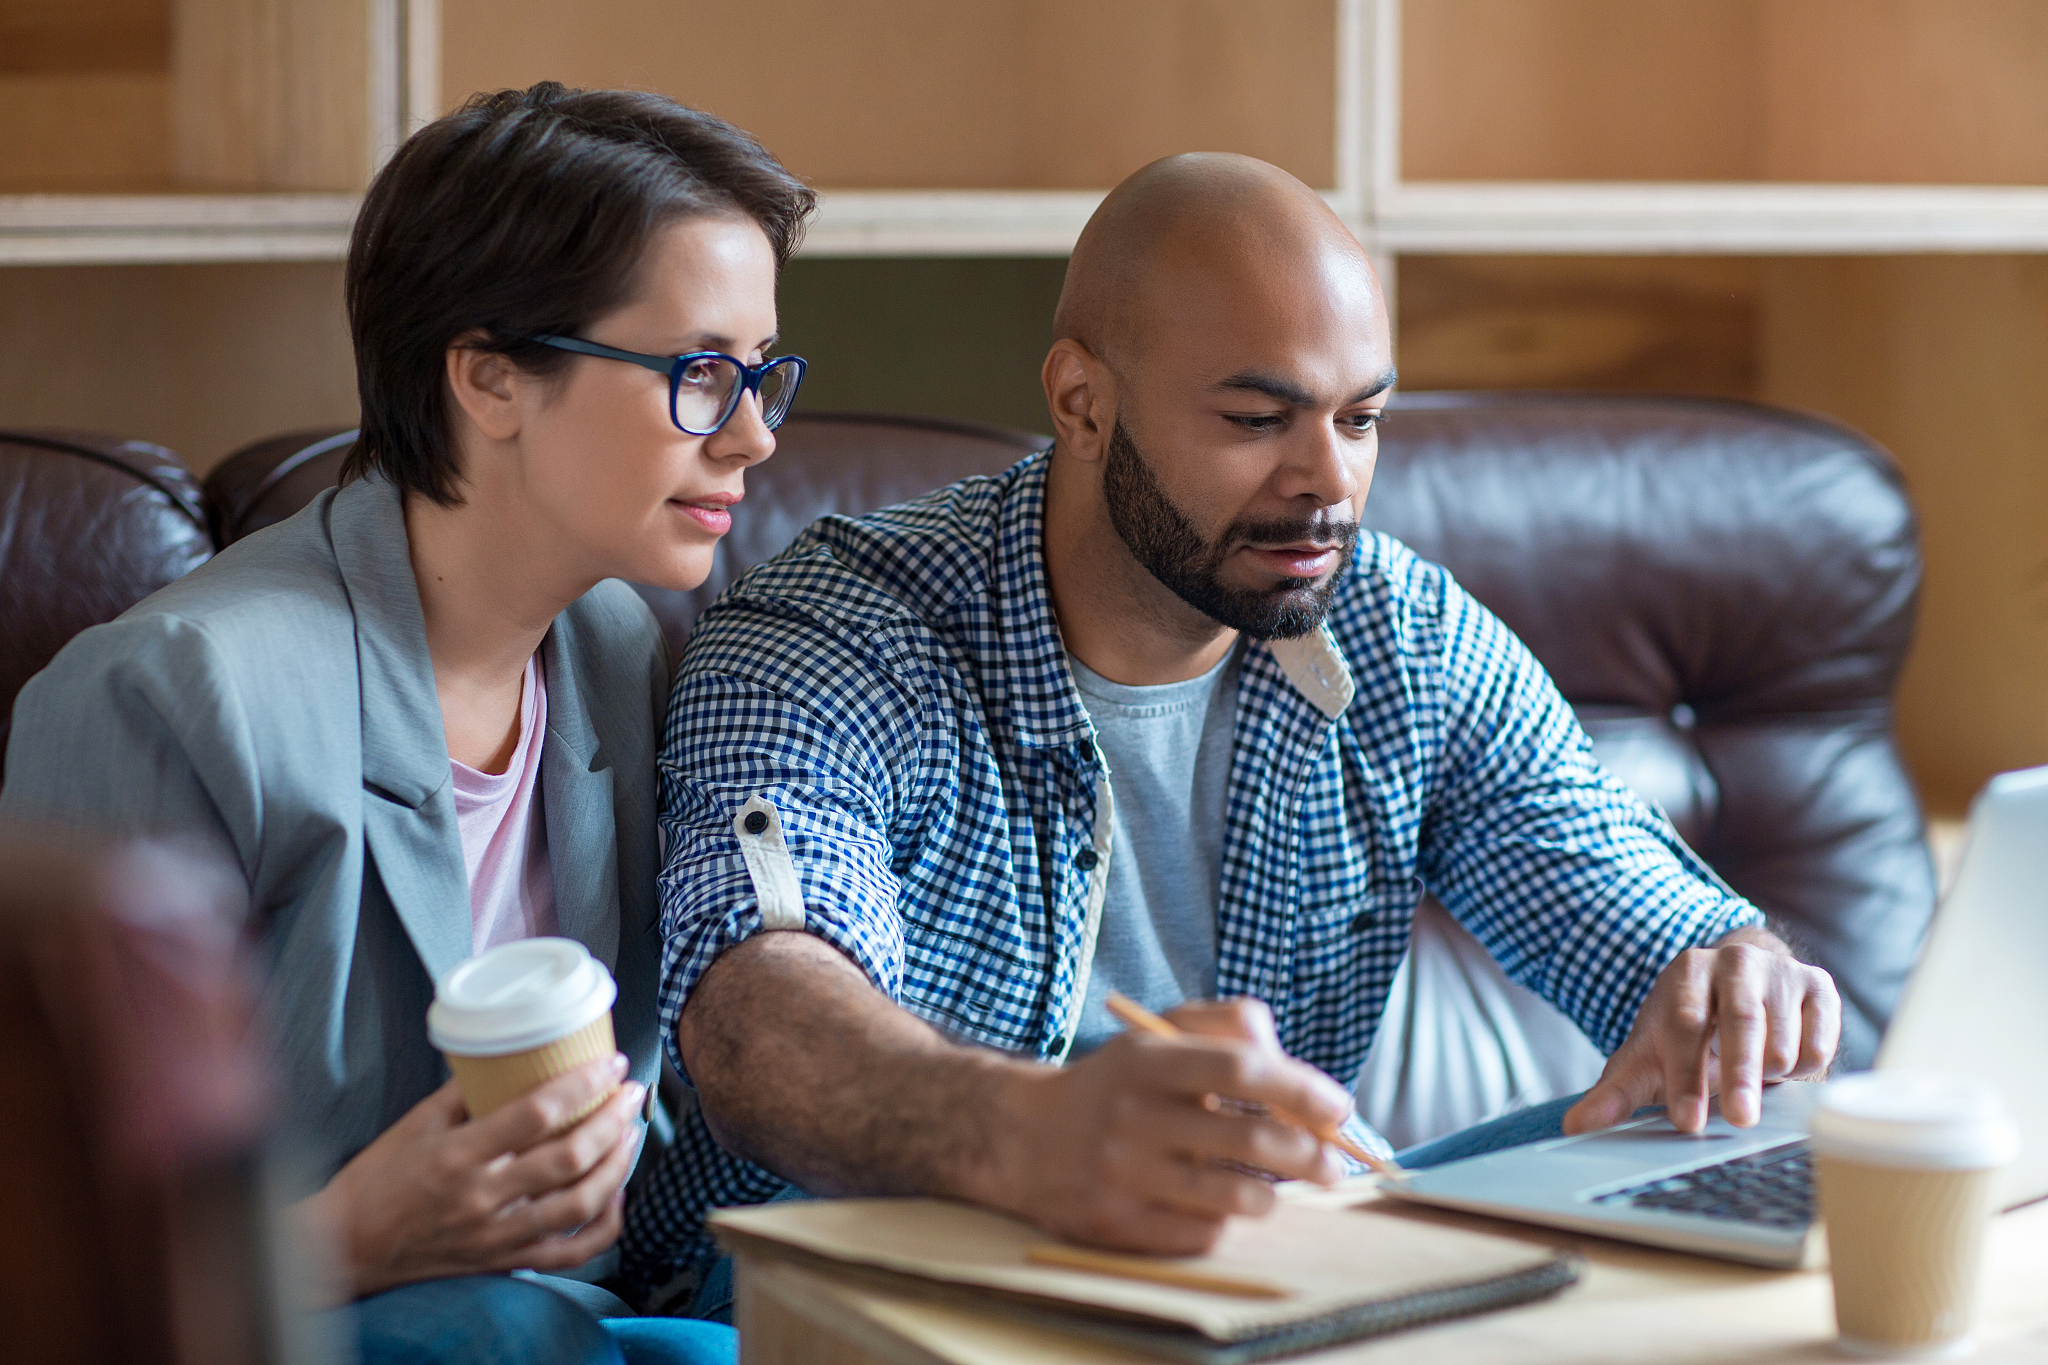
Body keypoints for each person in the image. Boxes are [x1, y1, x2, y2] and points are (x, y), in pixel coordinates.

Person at [621, 152, 1841, 1302]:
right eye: (1258, 420)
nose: (1327, 483)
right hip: (858, 1259)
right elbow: (754, 1011)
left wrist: (1732, 978)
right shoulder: (837, 635)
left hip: (1257, 1255)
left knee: (1743, 1136)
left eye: (1358, 420)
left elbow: (1632, 908)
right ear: (1081, 400)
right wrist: (1033, 1138)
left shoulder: (1402, 639)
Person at [0, 83, 813, 1365]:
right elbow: (46, 1270)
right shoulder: (168, 696)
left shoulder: (613, 646)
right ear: (490, 378)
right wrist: (356, 1233)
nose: (755, 436)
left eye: (764, 375)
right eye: (701, 376)